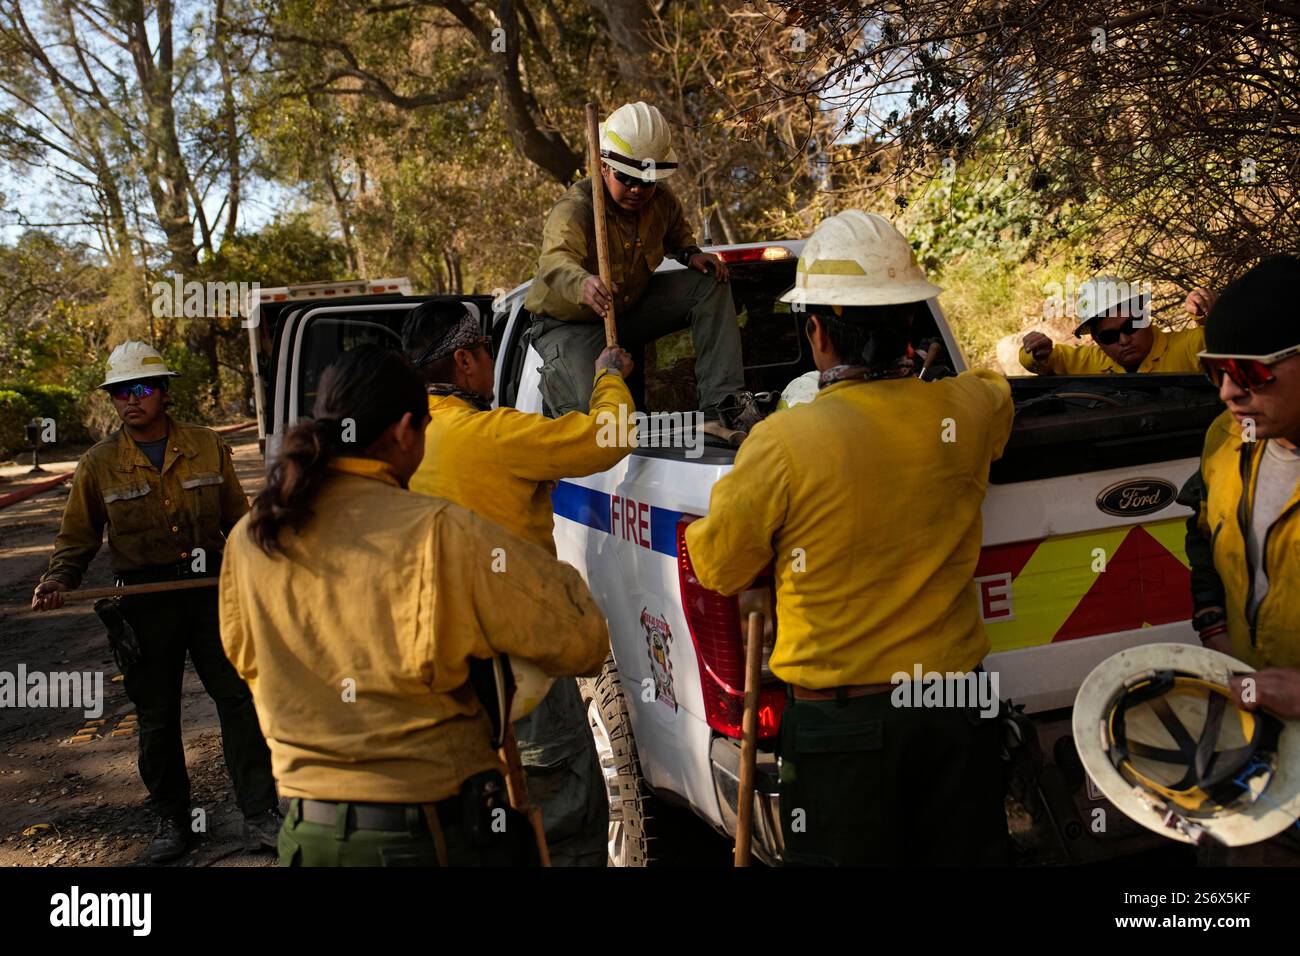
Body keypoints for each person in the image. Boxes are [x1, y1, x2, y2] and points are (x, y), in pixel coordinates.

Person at [683, 211, 1015, 865]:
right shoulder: (968, 414)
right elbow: (994, 387)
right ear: (913, 327)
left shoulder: (784, 442)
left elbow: (719, 565)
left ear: (816, 334)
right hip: (956, 713)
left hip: (844, 734)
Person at [219, 345, 610, 866]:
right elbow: (583, 639)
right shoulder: (441, 533)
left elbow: (245, 658)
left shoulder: (250, 537)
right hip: (428, 838)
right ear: (405, 432)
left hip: (307, 839)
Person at [400, 300, 634, 866]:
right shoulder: (493, 436)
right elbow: (611, 436)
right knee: (562, 813)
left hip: (439, 669)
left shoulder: (401, 441)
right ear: (463, 360)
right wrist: (608, 377)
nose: (486, 362)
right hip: (518, 665)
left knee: (484, 818)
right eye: (482, 351)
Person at [31, 341, 278, 864]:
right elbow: (77, 538)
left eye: (141, 388)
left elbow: (239, 521)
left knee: (237, 700)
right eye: (120, 392)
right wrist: (59, 578)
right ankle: (174, 822)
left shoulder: (207, 446)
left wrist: (270, 560)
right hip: (144, 603)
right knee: (157, 715)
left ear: (164, 393)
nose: (130, 400)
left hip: (210, 593)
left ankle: (260, 814)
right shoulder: (98, 464)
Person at [524, 101, 753, 438]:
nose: (637, 189)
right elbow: (553, 261)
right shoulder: (576, 207)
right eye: (627, 178)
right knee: (598, 430)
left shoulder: (661, 202)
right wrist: (584, 283)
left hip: (630, 310)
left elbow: (676, 234)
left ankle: (723, 408)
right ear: (603, 167)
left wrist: (691, 254)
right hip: (570, 323)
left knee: (709, 282)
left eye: (648, 180)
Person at [1021, 276, 1211, 374]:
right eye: (1109, 336)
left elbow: (1227, 338)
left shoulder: (1189, 346)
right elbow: (1046, 362)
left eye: (1130, 326)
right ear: (1096, 339)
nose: (1124, 340)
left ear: (1145, 317)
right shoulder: (1089, 362)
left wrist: (1209, 315)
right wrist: (1034, 351)